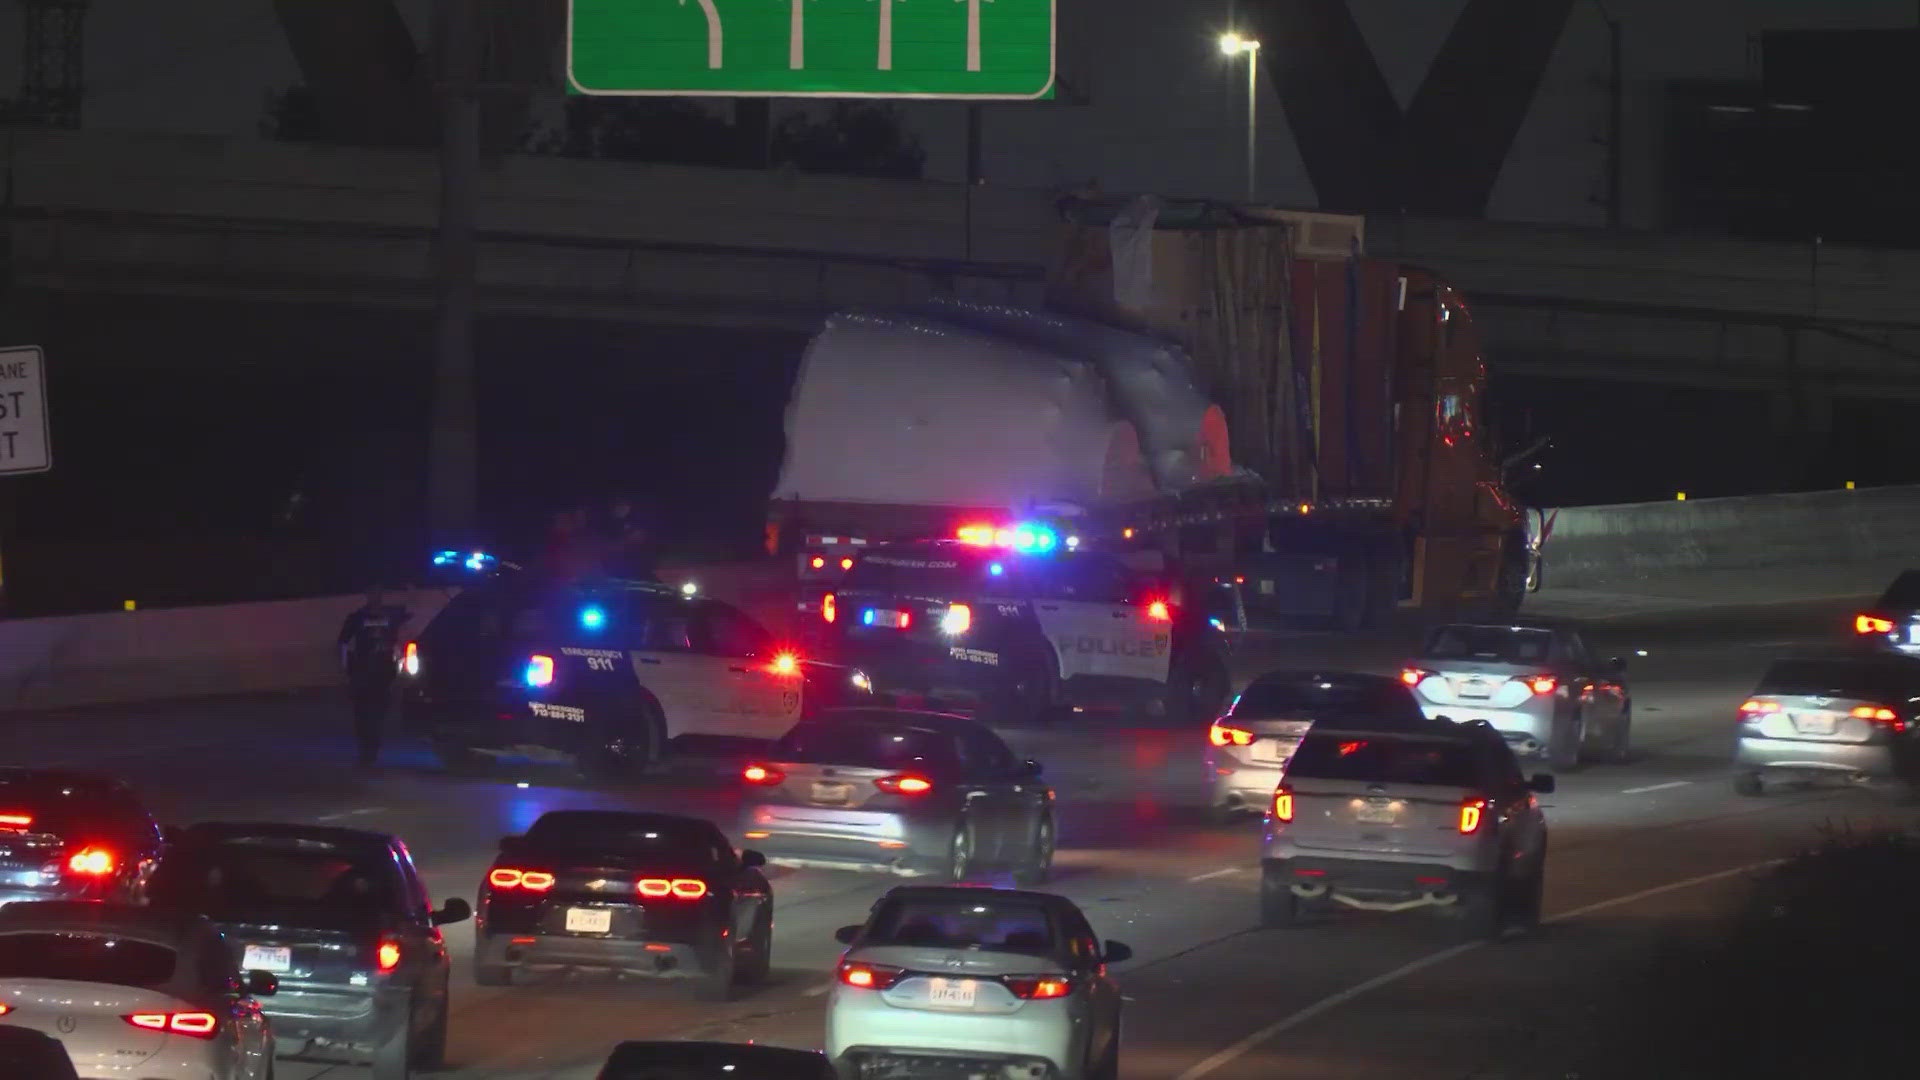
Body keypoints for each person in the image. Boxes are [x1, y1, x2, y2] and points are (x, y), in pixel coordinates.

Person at [337, 587, 410, 767]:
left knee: (378, 713)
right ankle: (365, 751)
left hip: (383, 672)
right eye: (372, 593)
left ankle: (372, 751)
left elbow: (409, 613)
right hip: (362, 671)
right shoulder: (358, 617)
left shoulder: (391, 615)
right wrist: (347, 667)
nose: (375, 597)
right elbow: (343, 643)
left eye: (378, 594)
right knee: (363, 713)